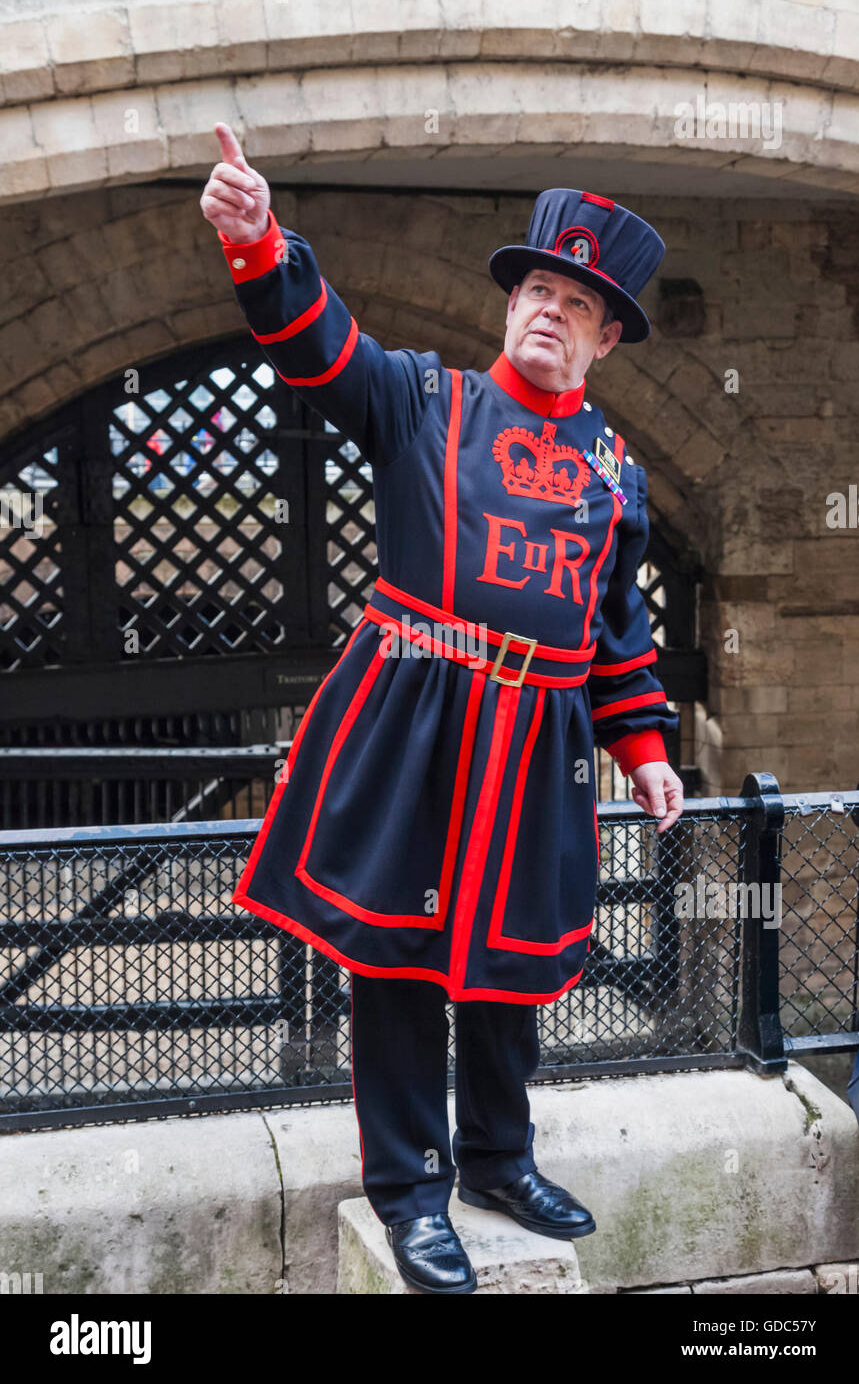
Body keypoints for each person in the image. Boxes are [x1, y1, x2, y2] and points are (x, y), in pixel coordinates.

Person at [201, 123, 685, 1294]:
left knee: (512, 967)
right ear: (509, 300)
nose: (548, 311)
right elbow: (320, 351)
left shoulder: (617, 473)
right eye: (536, 287)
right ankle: (412, 1193)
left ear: (606, 337)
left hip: (541, 745)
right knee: (406, 965)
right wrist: (259, 242)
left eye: (575, 302)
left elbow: (615, 626)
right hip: (417, 720)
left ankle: (497, 1161)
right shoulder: (424, 399)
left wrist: (644, 750)